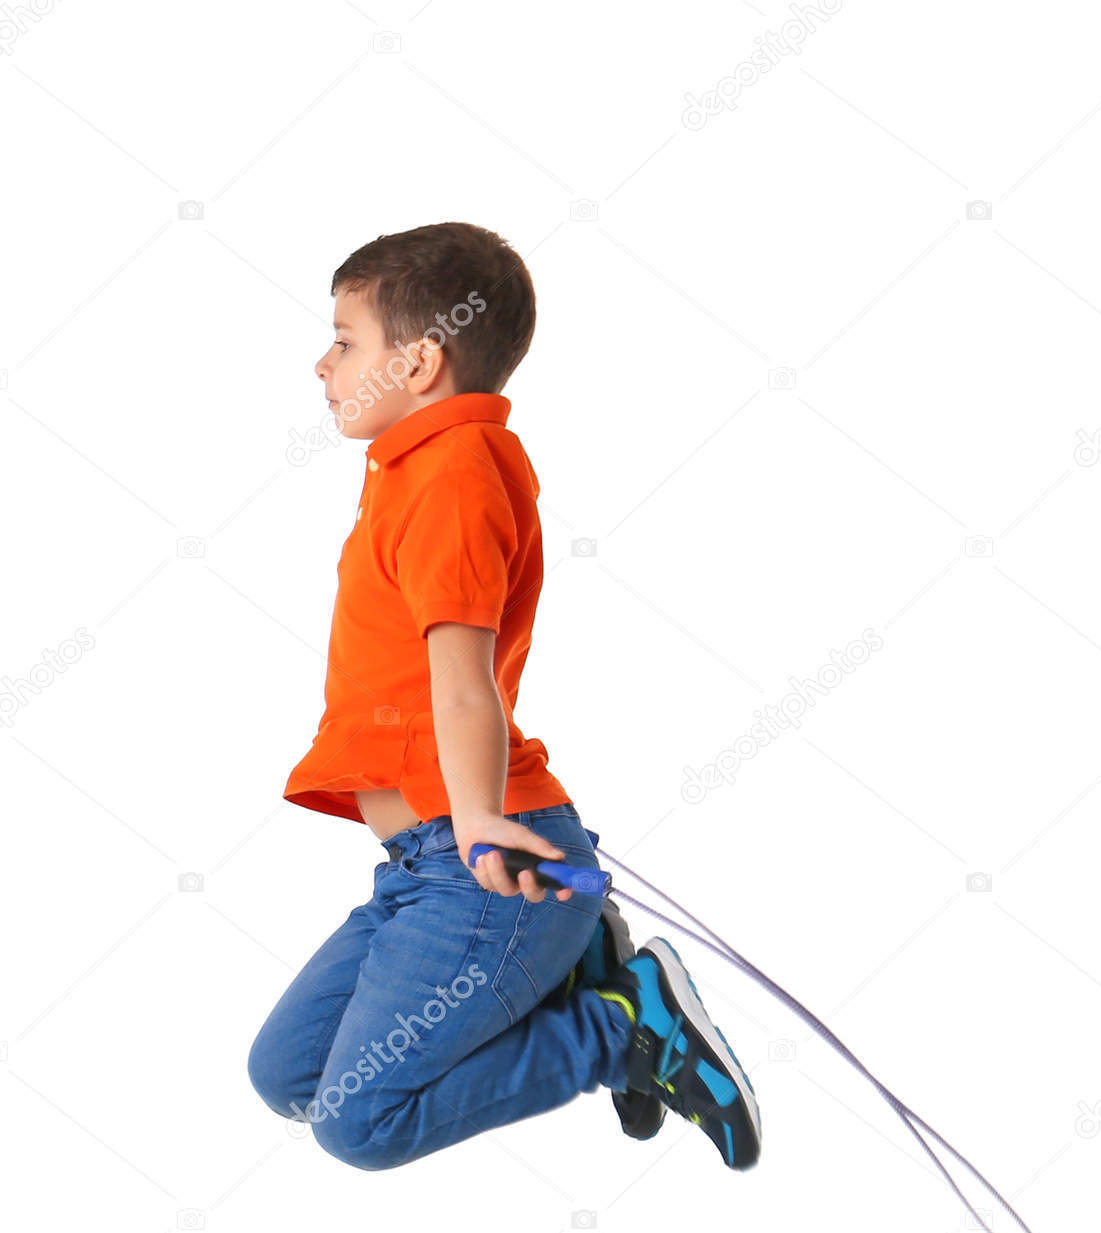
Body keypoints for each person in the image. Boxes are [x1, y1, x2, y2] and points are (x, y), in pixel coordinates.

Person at [246, 221, 760, 1174]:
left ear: (421, 362)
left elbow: (465, 683)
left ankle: (619, 1035)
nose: (322, 364)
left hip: (480, 863)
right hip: (419, 867)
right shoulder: (412, 471)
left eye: (345, 340)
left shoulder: (450, 476)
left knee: (358, 1123)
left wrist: (479, 820)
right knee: (294, 1076)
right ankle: (585, 975)